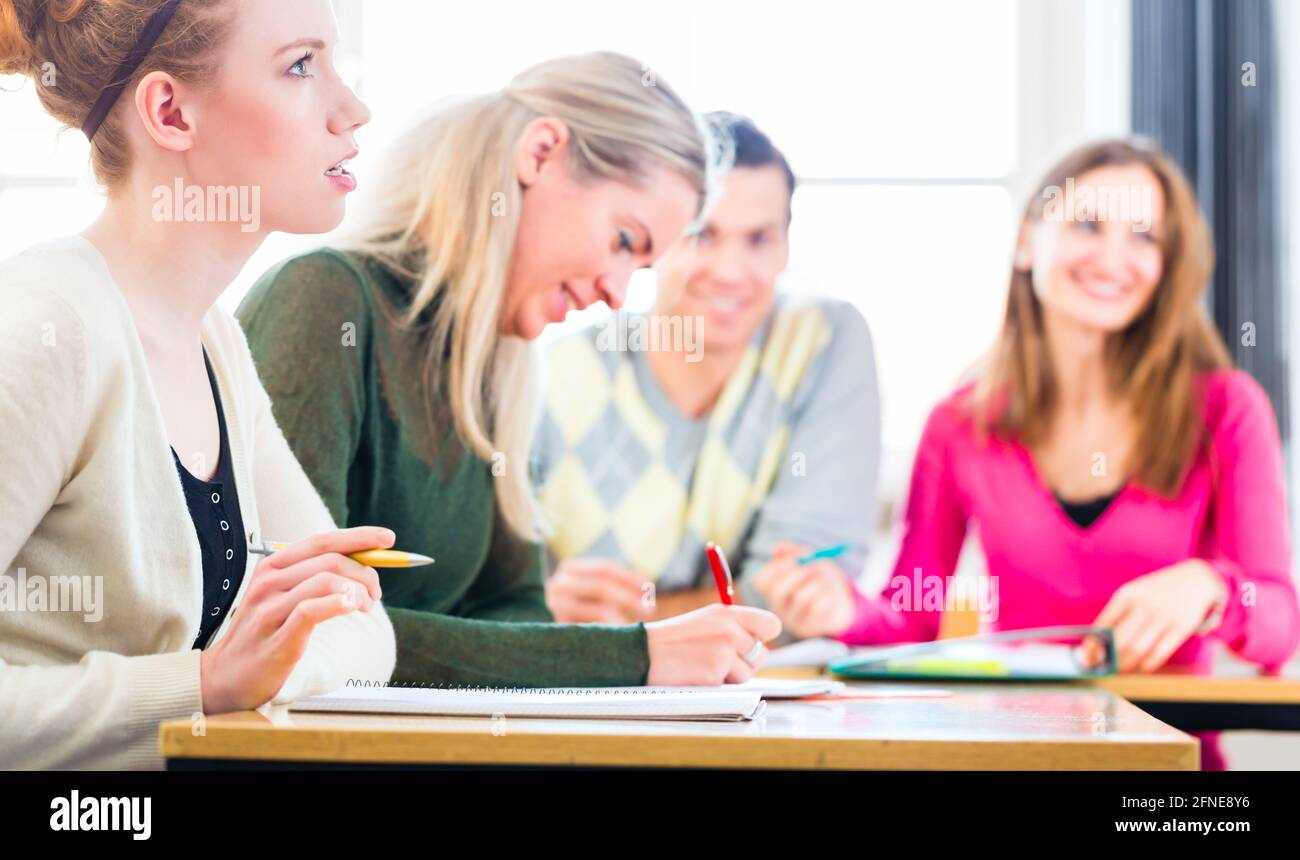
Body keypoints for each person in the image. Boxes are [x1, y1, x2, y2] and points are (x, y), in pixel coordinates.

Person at [237, 54, 782, 689]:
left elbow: (515, 607)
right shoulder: (323, 300)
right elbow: (304, 625)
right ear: (541, 153)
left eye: (643, 269)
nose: (616, 291)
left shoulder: (495, 362)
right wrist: (637, 657)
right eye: (624, 241)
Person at [0, 0, 397, 769]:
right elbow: (230, 680)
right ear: (171, 113)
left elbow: (362, 627)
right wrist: (205, 687)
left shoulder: (212, 340)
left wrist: (258, 673)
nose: (353, 109)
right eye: (300, 66)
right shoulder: (48, 330)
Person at [837, 138, 1300, 770]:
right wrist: (838, 606)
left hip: (1170, 784)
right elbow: (910, 617)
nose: (1114, 257)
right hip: (1018, 758)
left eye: (1144, 236)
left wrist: (1210, 587)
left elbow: (1278, 622)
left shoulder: (1225, 409)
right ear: (1028, 240)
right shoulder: (959, 424)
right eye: (1088, 224)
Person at [532, 112, 881, 641]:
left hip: (763, 706)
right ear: (651, 242)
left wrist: (611, 629)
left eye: (759, 239)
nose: (730, 271)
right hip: (592, 709)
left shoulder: (824, 341)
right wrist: (536, 609)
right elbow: (503, 604)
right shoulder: (553, 371)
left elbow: (794, 596)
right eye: (702, 235)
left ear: (787, 245)